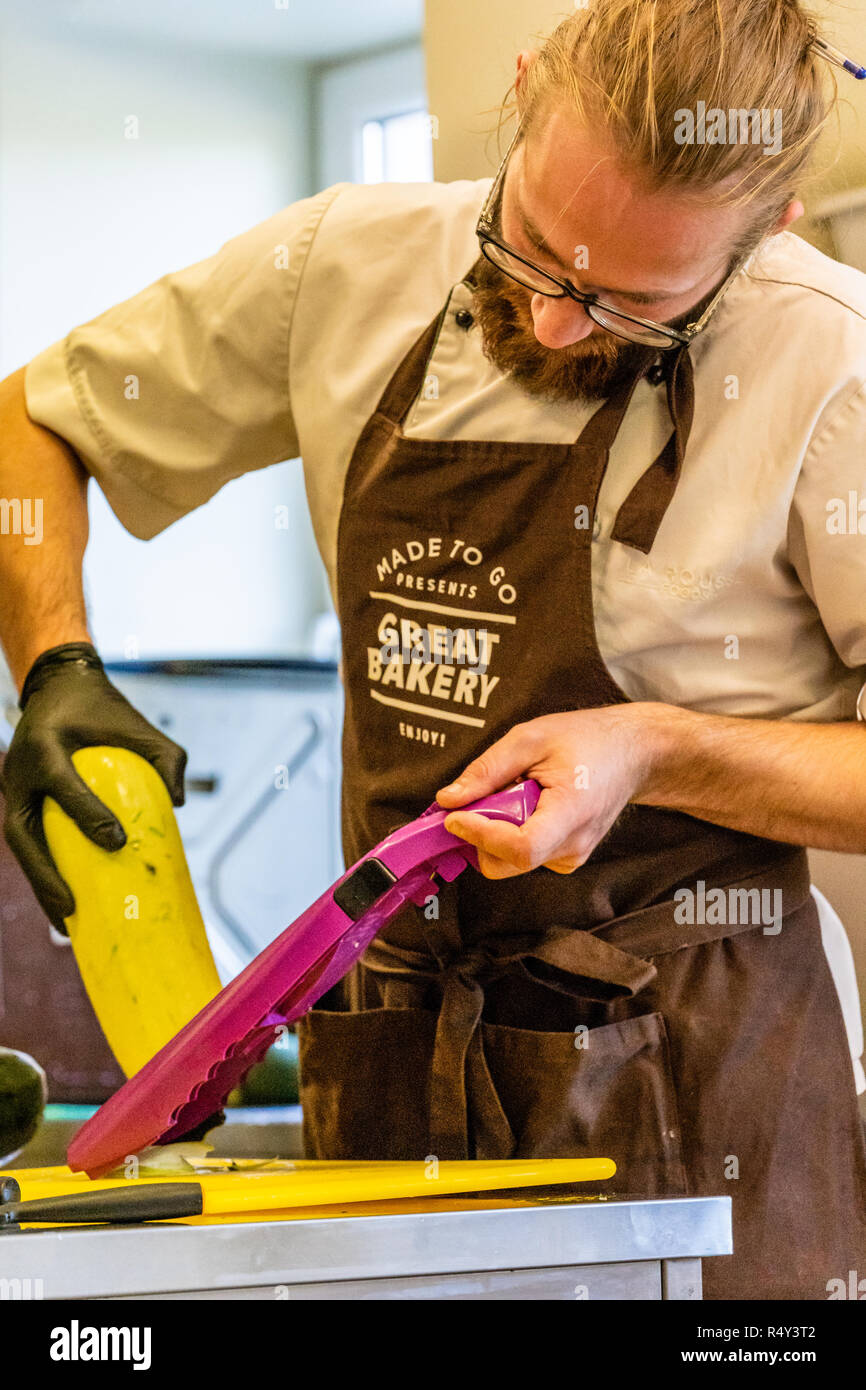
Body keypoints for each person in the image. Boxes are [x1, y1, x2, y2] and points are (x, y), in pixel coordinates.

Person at [2, 0, 866, 1299]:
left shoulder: (828, 364)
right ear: (516, 98)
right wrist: (55, 662)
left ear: (763, 233)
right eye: (530, 255)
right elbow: (36, 422)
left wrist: (653, 749)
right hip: (396, 1042)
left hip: (701, 1078)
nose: (561, 323)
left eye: (630, 305)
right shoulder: (344, 263)